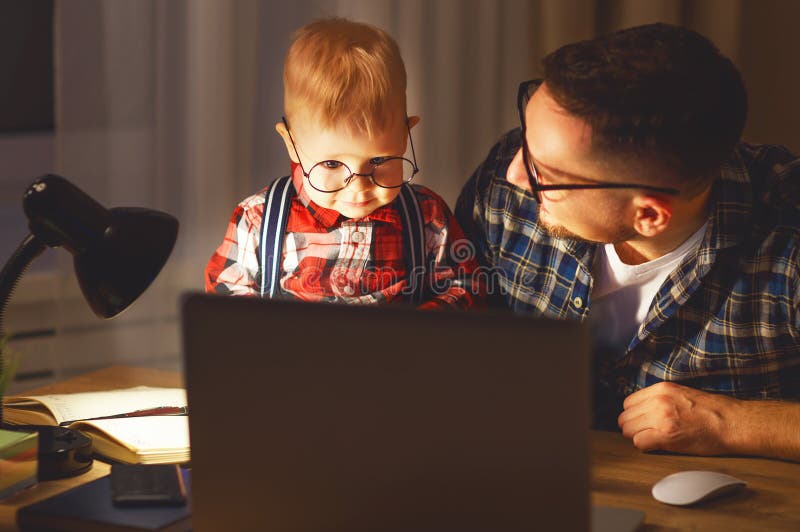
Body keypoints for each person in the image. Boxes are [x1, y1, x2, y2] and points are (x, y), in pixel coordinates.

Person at [455, 23, 800, 460]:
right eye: (524, 138)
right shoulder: (507, 181)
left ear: (650, 215)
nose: (514, 175)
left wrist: (731, 423)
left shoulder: (787, 237)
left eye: (548, 177)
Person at [207, 18, 482, 309]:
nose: (359, 188)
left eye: (379, 160)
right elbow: (226, 299)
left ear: (405, 136)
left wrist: (419, 328)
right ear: (292, 144)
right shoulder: (258, 220)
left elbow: (466, 287)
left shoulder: (428, 217)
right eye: (331, 164)